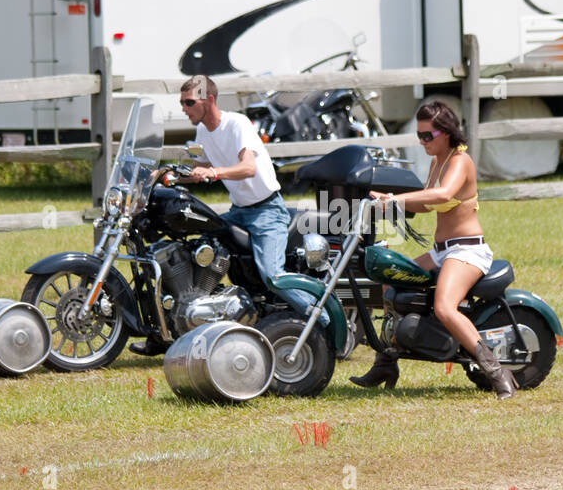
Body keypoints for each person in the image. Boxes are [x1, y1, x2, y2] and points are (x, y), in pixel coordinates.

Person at [131, 75, 315, 354]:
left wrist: (214, 172)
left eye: (189, 102)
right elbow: (199, 169)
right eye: (182, 102)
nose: (184, 108)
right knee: (192, 251)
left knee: (273, 276)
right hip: (239, 211)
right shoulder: (204, 131)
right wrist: (166, 175)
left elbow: (248, 168)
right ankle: (167, 331)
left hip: (267, 212)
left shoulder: (237, 124)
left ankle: (322, 322)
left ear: (210, 100)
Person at [351, 100, 517, 399]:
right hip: (442, 250)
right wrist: (389, 199)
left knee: (444, 307)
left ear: (446, 132)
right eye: (420, 135)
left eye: (427, 136)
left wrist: (397, 201)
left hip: (467, 252)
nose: (422, 141)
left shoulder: (460, 161)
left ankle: (497, 372)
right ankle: (386, 363)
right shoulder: (437, 161)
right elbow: (429, 204)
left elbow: (443, 194)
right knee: (389, 282)